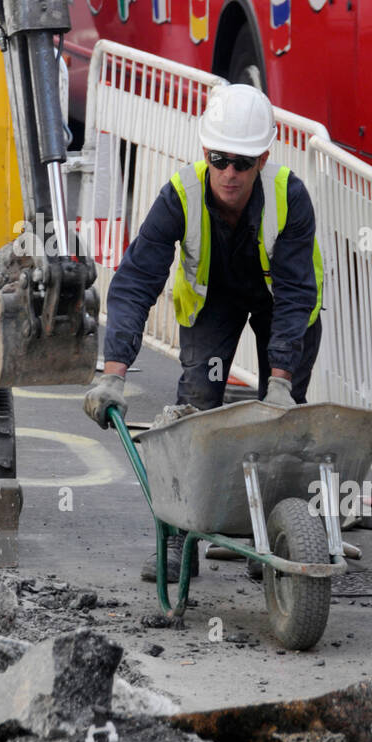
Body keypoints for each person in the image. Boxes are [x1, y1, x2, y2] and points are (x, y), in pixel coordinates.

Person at [83, 83, 323, 581]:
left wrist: (280, 381)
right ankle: (177, 541)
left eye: (242, 162)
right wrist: (112, 374)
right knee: (194, 412)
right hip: (214, 303)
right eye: (219, 159)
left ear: (262, 157)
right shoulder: (180, 195)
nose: (229, 174)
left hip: (283, 303)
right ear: (204, 153)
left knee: (279, 420)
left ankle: (273, 539)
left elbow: (297, 292)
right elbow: (134, 283)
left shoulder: (289, 197)